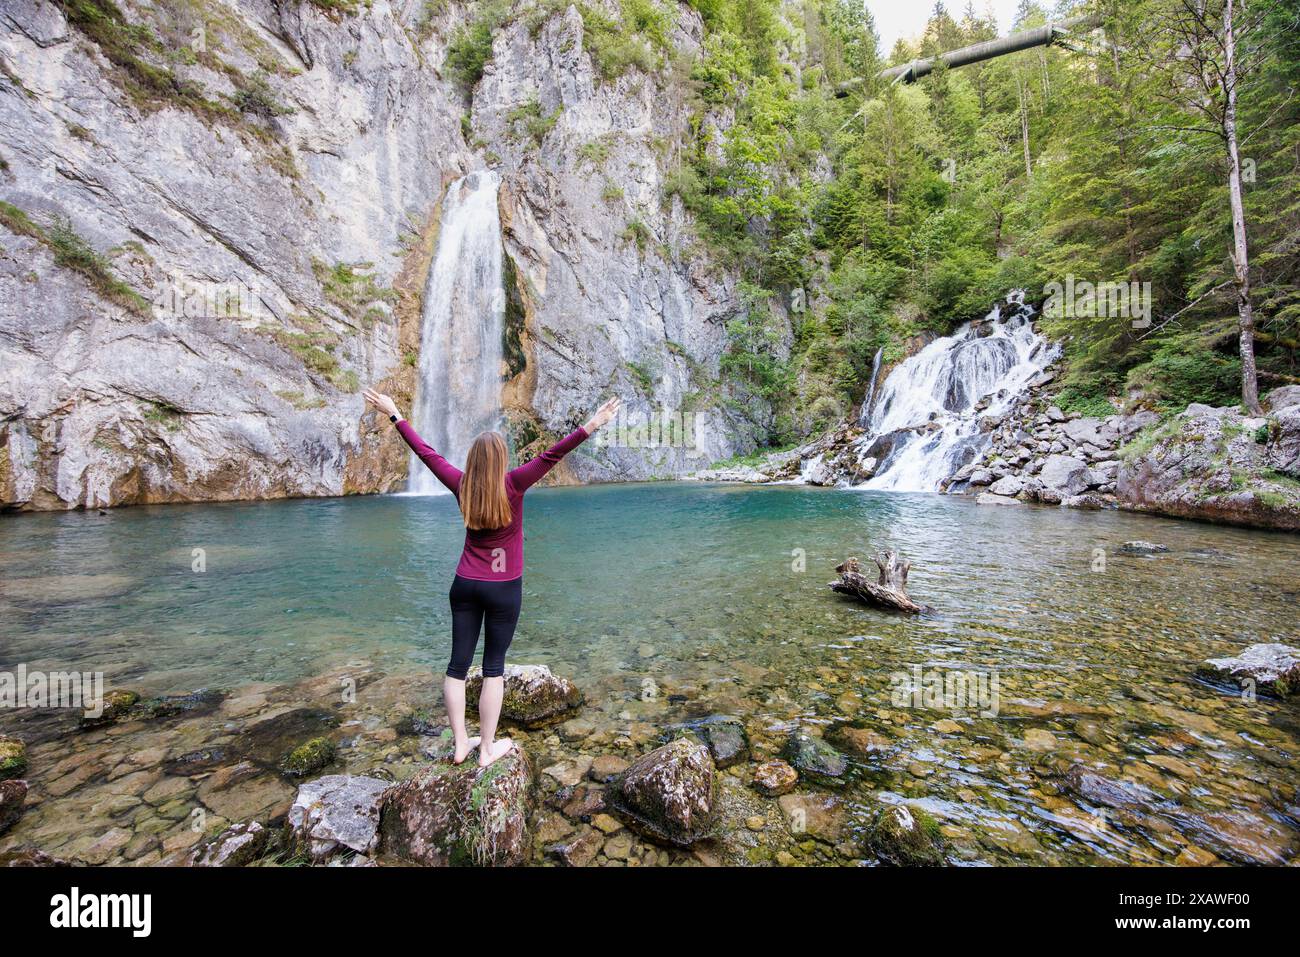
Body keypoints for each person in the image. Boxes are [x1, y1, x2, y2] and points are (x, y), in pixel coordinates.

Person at [363, 388, 620, 768]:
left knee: (456, 667)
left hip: (464, 584)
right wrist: (593, 424)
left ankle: (460, 744)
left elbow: (426, 452)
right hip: (503, 588)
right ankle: (486, 749)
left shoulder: (460, 483)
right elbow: (554, 454)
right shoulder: (514, 483)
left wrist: (396, 415)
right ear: (502, 460)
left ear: (473, 461)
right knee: (493, 667)